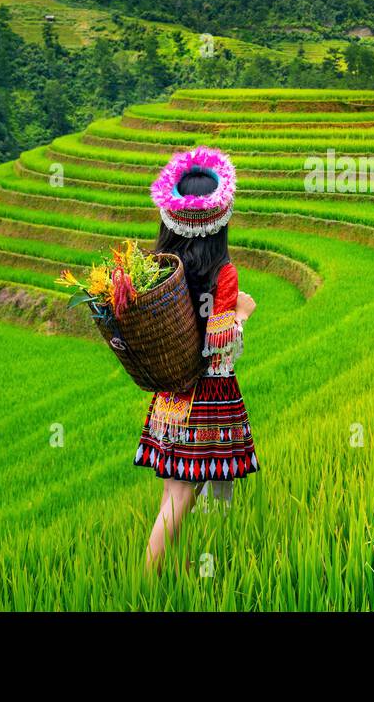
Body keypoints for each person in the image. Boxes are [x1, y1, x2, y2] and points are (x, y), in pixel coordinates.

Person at [135, 146, 259, 572]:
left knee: (174, 491)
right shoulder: (223, 272)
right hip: (205, 396)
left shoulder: (159, 268)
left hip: (170, 395)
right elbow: (220, 344)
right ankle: (146, 580)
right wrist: (240, 313)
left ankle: (174, 566)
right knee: (184, 495)